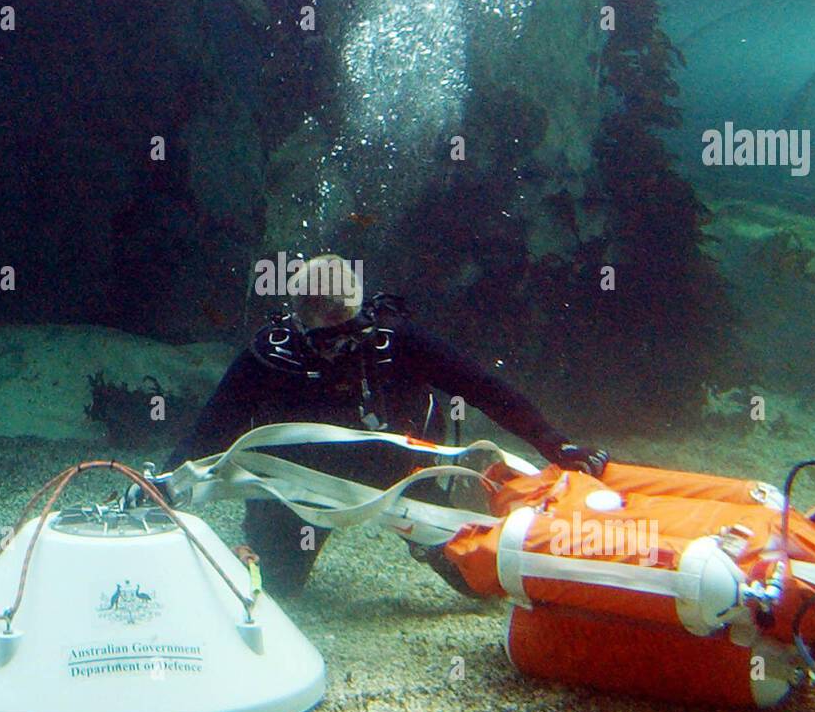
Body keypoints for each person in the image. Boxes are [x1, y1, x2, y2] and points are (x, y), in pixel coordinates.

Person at [164, 254, 609, 595]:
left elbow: (483, 387)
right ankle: (249, 549)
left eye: (337, 315)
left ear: (358, 309)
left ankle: (425, 541)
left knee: (478, 581)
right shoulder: (271, 357)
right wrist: (163, 485)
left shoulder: (398, 341)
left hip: (398, 477)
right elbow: (212, 428)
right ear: (296, 313)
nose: (329, 335)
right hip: (301, 489)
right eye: (313, 313)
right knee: (276, 586)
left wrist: (556, 444)